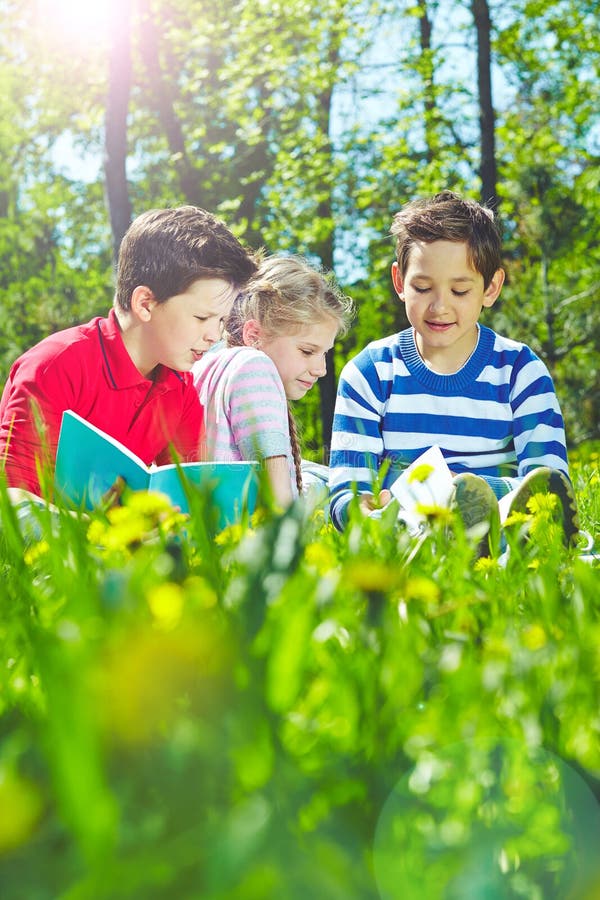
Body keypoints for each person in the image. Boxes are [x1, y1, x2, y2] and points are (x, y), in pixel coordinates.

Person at [329, 190, 579, 550]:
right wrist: (362, 509)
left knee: (532, 511)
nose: (440, 307)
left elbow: (548, 484)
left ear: (490, 288)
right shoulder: (370, 374)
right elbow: (347, 489)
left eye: (460, 290)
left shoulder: (520, 373)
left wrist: (469, 494)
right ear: (400, 282)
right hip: (406, 536)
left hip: (503, 529)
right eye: (423, 287)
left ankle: (495, 539)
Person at [0, 206, 257, 500]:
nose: (214, 335)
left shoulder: (181, 390)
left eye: (222, 321)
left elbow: (189, 502)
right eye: (201, 318)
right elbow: (12, 503)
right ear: (145, 304)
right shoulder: (56, 366)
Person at [192, 255, 354, 508]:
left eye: (325, 353)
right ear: (254, 335)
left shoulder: (207, 365)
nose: (321, 369)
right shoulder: (255, 367)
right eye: (307, 351)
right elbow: (279, 502)